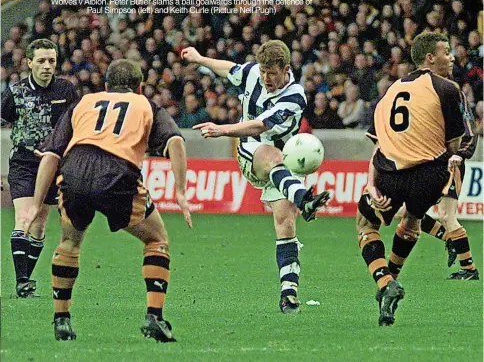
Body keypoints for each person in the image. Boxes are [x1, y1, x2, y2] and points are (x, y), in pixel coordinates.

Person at [23, 59, 191, 342]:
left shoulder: (85, 102)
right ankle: (154, 316)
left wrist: (35, 205)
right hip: (117, 172)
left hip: (75, 169)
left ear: (106, 86)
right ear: (139, 87)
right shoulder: (145, 104)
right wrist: (181, 192)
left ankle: (61, 320)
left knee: (69, 242)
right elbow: (176, 141)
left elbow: (51, 155)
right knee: (156, 239)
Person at [181, 40, 330, 314]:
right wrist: (201, 58)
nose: (265, 78)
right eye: (263, 72)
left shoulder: (295, 96)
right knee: (270, 154)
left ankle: (288, 293)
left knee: (285, 222)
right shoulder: (253, 73)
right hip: (251, 152)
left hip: (285, 163)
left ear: (286, 69)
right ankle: (304, 200)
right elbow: (230, 70)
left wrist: (222, 129)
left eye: (272, 73)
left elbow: (263, 123)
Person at [356, 32, 467, 326]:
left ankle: (384, 282)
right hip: (430, 174)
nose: (452, 56)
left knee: (367, 225)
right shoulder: (447, 89)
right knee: (412, 222)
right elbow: (457, 147)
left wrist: (371, 183)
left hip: (390, 174)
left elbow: (380, 145)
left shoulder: (390, 92)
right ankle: (390, 283)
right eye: (447, 51)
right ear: (430, 57)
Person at [0, 39, 78, 298]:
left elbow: (76, 126)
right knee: (24, 217)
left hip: (54, 165)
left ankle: (26, 278)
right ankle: (22, 281)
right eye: (41, 61)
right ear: (29, 62)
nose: (47, 66)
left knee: (40, 225)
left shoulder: (66, 91)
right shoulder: (15, 93)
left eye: (51, 61)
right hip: (23, 164)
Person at [394, 56, 479, 280]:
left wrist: (460, 155)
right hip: (427, 164)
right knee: (407, 211)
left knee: (445, 214)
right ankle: (450, 239)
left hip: (450, 163)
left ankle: (469, 269)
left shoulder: (452, 93)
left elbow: (470, 129)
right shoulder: (422, 98)